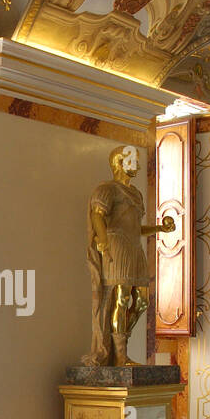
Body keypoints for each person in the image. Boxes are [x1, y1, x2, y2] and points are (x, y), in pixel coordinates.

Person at [82, 145, 173, 367]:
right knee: (121, 298)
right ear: (119, 163)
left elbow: (136, 228)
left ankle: (118, 345)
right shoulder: (107, 189)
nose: (139, 165)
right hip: (117, 244)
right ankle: (120, 356)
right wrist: (102, 240)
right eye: (133, 161)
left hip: (134, 246)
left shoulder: (136, 193)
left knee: (142, 301)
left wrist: (160, 229)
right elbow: (97, 216)